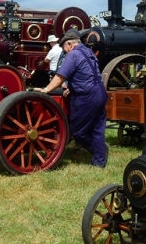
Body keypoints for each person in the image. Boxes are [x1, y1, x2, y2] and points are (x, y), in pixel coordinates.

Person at [34, 29, 108, 168]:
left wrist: (46, 90)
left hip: (87, 96)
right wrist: (70, 86)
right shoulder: (88, 52)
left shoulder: (73, 54)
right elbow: (86, 73)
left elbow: (60, 76)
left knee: (78, 132)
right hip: (100, 92)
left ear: (69, 44)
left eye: (64, 48)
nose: (65, 51)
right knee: (97, 129)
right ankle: (100, 161)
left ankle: (100, 153)